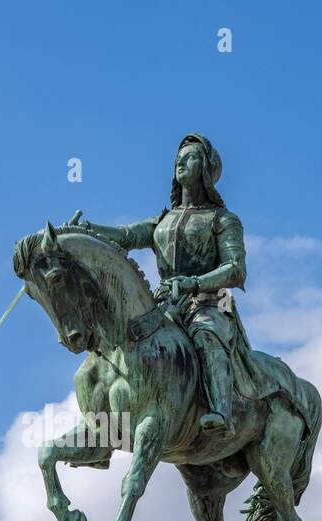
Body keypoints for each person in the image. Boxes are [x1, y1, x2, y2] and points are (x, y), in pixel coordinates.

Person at [80, 132, 252, 437]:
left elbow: (235, 270)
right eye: (178, 157)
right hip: (165, 303)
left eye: (191, 157)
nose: (180, 162)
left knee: (206, 336)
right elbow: (125, 236)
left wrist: (195, 283)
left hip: (209, 303)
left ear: (207, 170)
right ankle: (107, 427)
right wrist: (89, 230)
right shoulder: (164, 220)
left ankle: (221, 411)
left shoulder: (223, 220)